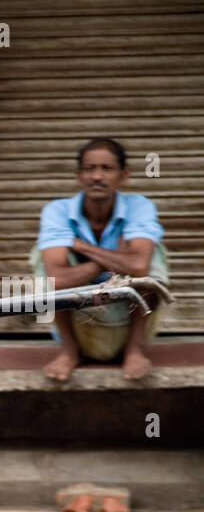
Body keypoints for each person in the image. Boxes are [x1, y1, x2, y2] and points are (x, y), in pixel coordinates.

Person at [35, 138, 170, 382]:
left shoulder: (140, 207)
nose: (97, 176)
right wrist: (111, 261)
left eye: (106, 169)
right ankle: (69, 351)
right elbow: (57, 280)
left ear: (123, 177)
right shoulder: (57, 211)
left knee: (155, 256)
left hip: (125, 321)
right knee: (40, 255)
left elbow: (140, 267)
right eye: (90, 168)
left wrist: (82, 247)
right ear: (79, 176)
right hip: (82, 322)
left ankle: (135, 350)